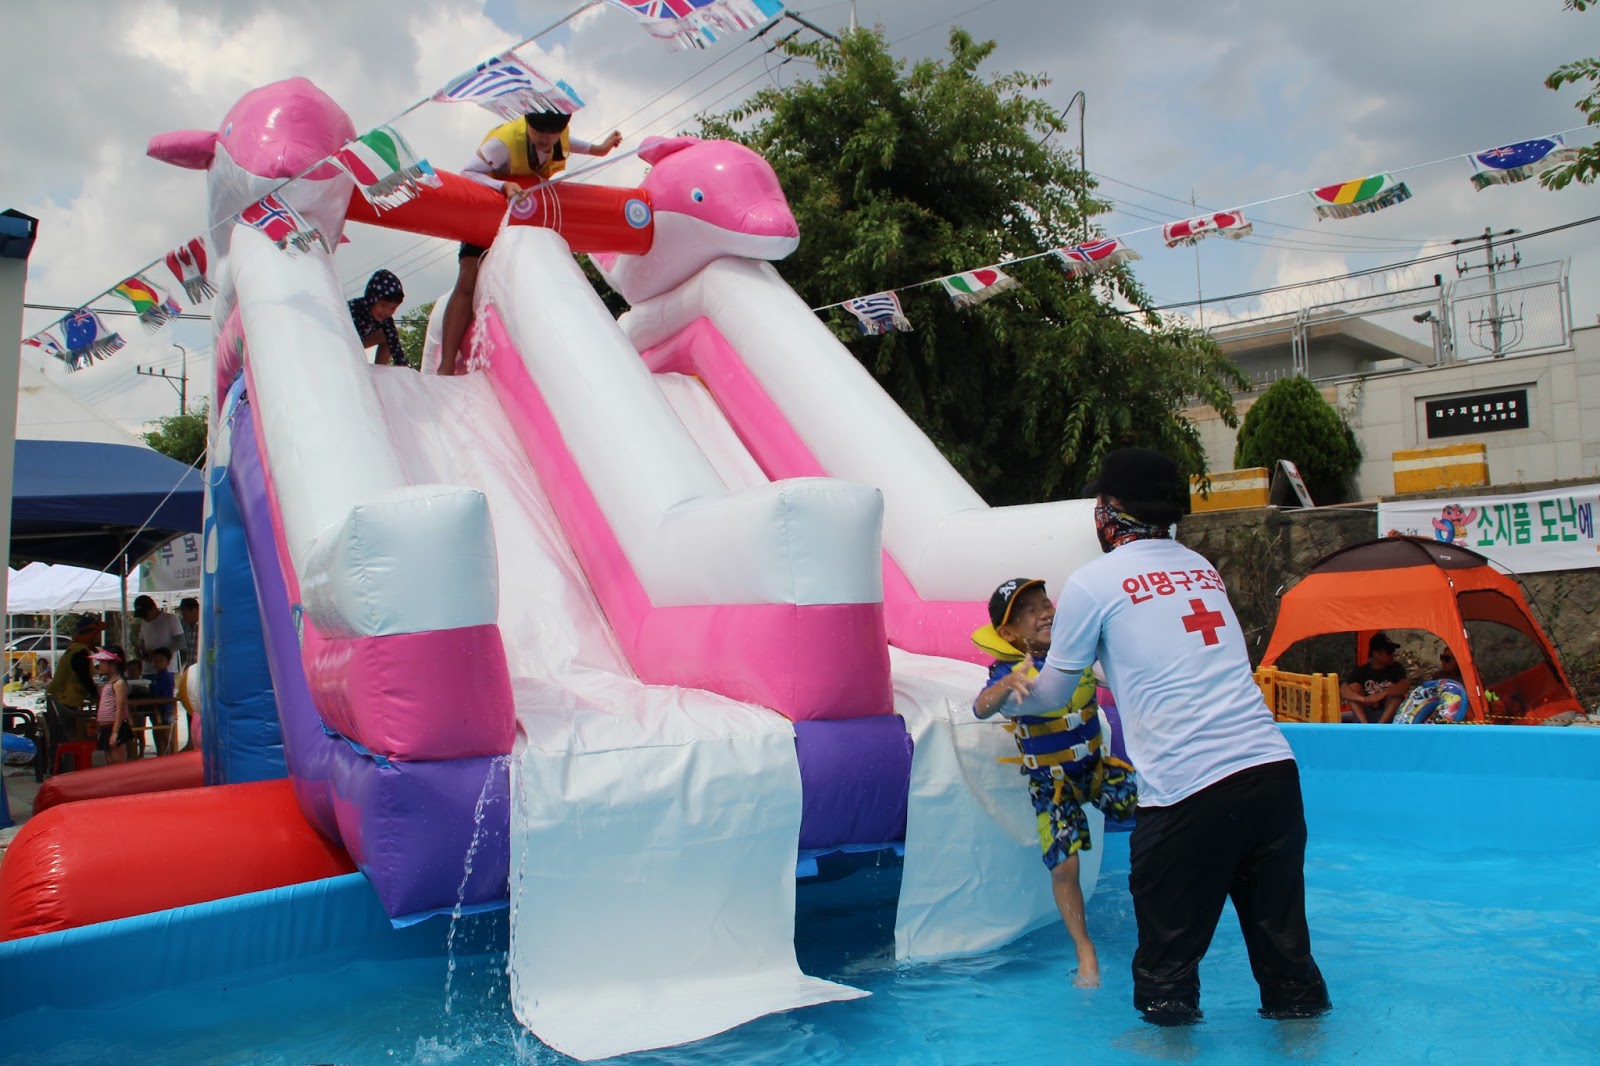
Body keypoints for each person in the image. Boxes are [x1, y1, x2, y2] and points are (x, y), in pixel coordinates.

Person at [997, 448, 1330, 1026]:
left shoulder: (1093, 582)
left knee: (1166, 982)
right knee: (1288, 967)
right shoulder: (1201, 567)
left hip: (1187, 790)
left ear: (1112, 507)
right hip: (1272, 777)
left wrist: (1009, 692)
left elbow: (1051, 695)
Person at [972, 577, 1137, 989]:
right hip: (1054, 785)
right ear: (1008, 634)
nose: (1044, 613)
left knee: (1160, 812)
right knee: (1066, 865)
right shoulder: (1010, 672)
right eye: (1029, 611)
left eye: (1045, 604)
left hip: (1097, 770)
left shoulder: (1075, 652)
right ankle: (1085, 949)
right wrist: (1006, 684)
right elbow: (981, 708)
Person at [437, 112, 623, 376]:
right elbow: (466, 173)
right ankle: (446, 364)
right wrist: (502, 185)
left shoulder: (560, 137)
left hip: (529, 220)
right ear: (528, 124)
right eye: (539, 132)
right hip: (490, 213)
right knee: (468, 276)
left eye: (552, 133)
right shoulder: (502, 143)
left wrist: (600, 149)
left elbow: (571, 143)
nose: (545, 139)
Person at [1339, 633, 1410, 724]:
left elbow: (1404, 685)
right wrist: (1364, 699)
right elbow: (1344, 689)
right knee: (1354, 687)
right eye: (1389, 651)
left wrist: (1382, 694)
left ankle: (1380, 727)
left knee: (1396, 694)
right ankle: (1365, 726)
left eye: (1393, 651)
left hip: (1387, 713)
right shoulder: (1361, 670)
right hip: (1366, 712)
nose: (1392, 654)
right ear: (1376, 653)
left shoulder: (1396, 668)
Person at [348, 269, 408, 367]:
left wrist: (406, 370)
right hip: (343, 341)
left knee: (392, 334)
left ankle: (380, 370)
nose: (387, 312)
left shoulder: (386, 319)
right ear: (372, 299)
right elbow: (348, 342)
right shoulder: (354, 310)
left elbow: (395, 347)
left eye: (393, 308)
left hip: (360, 341)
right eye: (383, 305)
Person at [91, 646, 133, 766]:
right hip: (106, 727)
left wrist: (115, 733)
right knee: (109, 761)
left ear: (113, 663)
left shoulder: (119, 683)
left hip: (115, 727)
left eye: (102, 662)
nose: (99, 665)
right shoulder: (108, 683)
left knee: (117, 761)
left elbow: (120, 709)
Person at [133, 595, 184, 680]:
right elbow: (142, 641)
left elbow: (180, 642)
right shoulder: (144, 622)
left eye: (145, 615)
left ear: (153, 608)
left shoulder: (170, 619)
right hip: (147, 669)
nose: (144, 618)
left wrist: (158, 653)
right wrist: (142, 652)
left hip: (166, 669)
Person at [142, 647, 177, 756]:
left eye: (161, 660)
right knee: (157, 732)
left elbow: (165, 693)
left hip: (165, 708)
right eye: (155, 660)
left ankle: (171, 756)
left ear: (168, 662)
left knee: (166, 735)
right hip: (155, 708)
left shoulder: (168, 677)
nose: (157, 662)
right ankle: (160, 754)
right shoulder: (153, 677)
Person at [178, 596, 200, 670]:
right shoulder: (188, 628)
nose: (183, 617)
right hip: (190, 669)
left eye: (185, 613)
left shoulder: (204, 628)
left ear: (194, 610)